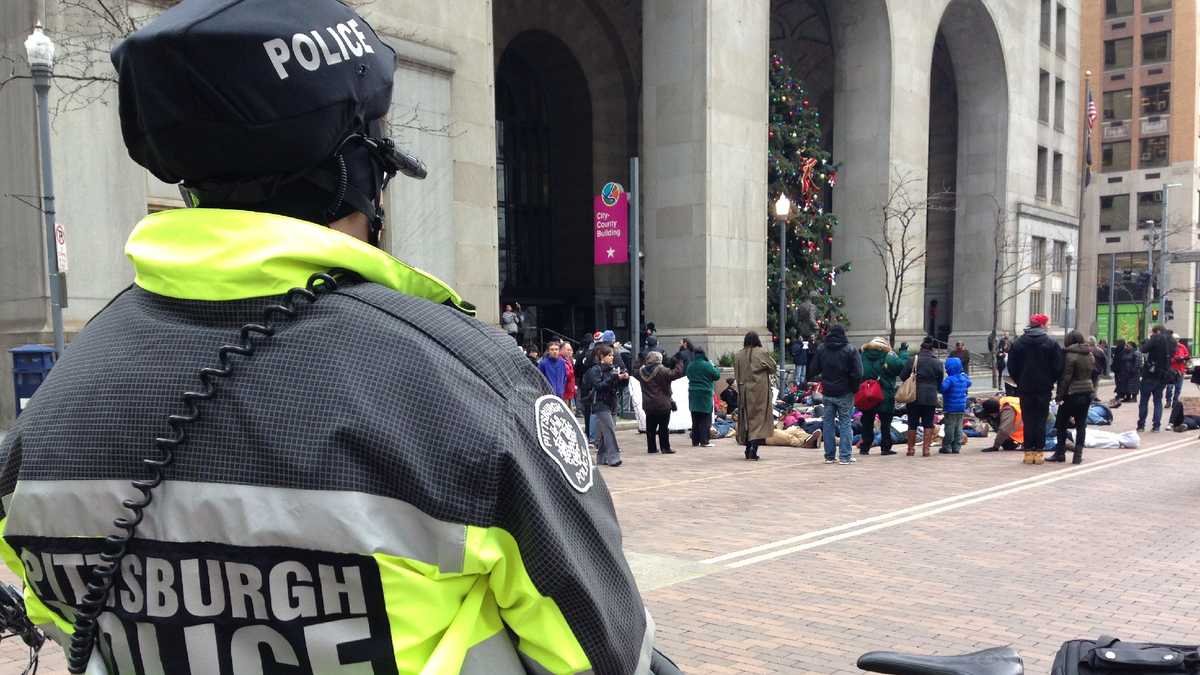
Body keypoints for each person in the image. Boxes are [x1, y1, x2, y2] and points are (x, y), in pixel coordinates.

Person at [0, 3, 673, 672]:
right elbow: (607, 651)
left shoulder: (46, 420)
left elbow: (60, 619)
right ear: (358, 170)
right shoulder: (463, 388)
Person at [1006, 314, 1064, 465]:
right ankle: (1039, 451)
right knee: (1040, 419)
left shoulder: (1019, 342)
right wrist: (1050, 379)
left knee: (1028, 419)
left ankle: (1028, 452)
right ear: (1042, 325)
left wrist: (1020, 380)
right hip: (1043, 387)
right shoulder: (1050, 343)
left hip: (1025, 387)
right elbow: (1058, 366)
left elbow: (1012, 366)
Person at [809, 324, 863, 465]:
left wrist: (822, 378)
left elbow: (813, 369)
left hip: (828, 391)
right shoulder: (850, 350)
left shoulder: (822, 349)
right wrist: (854, 386)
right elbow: (858, 373)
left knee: (828, 423)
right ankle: (845, 456)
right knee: (845, 422)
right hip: (845, 391)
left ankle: (829, 456)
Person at [1050, 331, 1095, 464]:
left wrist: (1059, 396)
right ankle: (1078, 455)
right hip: (1087, 392)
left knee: (1061, 424)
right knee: (1081, 425)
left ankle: (1060, 453)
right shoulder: (1089, 354)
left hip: (1071, 393)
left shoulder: (1069, 355)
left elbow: (1066, 378)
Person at [898, 336, 945, 457]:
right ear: (932, 349)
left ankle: (910, 449)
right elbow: (940, 381)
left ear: (921, 348)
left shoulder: (913, 360)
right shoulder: (938, 363)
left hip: (913, 396)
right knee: (928, 423)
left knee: (912, 423)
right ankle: (926, 450)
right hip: (930, 396)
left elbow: (903, 376)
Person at [585, 344, 631, 467]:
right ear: (602, 357)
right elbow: (599, 386)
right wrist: (613, 377)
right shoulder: (595, 369)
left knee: (608, 430)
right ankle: (614, 457)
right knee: (609, 429)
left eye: (612, 355)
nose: (611, 358)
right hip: (600, 403)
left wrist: (624, 378)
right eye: (609, 355)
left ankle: (601, 457)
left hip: (612, 402)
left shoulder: (613, 369)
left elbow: (618, 386)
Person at [734, 331, 777, 461]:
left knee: (746, 419)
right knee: (758, 420)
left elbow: (737, 374)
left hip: (744, 391)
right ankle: (753, 448)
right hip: (759, 392)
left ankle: (747, 448)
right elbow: (773, 367)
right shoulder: (761, 353)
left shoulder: (738, 355)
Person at [858, 337, 905, 456]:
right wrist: (903, 352)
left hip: (867, 394)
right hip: (885, 395)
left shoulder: (862, 356)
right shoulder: (888, 356)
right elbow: (901, 367)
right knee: (885, 423)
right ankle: (885, 447)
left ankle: (865, 447)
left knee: (867, 421)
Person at [635, 351, 685, 454]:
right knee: (663, 427)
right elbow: (676, 373)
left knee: (650, 428)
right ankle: (665, 448)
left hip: (648, 404)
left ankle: (652, 448)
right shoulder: (662, 370)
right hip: (663, 403)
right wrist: (679, 362)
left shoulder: (641, 371)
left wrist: (639, 360)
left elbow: (634, 370)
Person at [1138, 325, 1172, 432]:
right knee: (1158, 401)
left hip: (1150, 375)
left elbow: (1143, 349)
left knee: (1144, 401)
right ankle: (1156, 426)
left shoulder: (1156, 338)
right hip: (1162, 376)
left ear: (1157, 331)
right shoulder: (1171, 340)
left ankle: (1141, 425)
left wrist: (1146, 341)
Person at [686, 348, 722, 447]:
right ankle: (704, 441)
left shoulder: (690, 365)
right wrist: (713, 366)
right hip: (705, 394)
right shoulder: (707, 365)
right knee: (705, 418)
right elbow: (717, 375)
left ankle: (695, 441)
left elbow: (688, 375)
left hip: (693, 393)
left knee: (695, 418)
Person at [939, 356, 972, 454]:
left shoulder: (950, 379)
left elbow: (942, 389)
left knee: (949, 427)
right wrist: (964, 374)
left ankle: (947, 446)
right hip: (961, 407)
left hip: (950, 408)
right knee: (958, 428)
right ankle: (957, 447)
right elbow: (969, 383)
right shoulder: (963, 378)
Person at [1167, 337, 1190, 408]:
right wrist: (1175, 358)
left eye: (1177, 339)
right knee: (1169, 387)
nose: (1176, 341)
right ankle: (1168, 401)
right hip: (1171, 370)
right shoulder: (1169, 347)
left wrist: (1183, 357)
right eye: (1174, 339)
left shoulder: (1182, 347)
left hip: (1181, 370)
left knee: (1178, 388)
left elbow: (1187, 354)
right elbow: (1168, 357)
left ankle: (1175, 402)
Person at [561, 341, 577, 409]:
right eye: (568, 350)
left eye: (571, 350)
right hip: (564, 393)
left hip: (569, 393)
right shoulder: (561, 361)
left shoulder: (568, 360)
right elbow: (568, 375)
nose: (571, 351)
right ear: (561, 350)